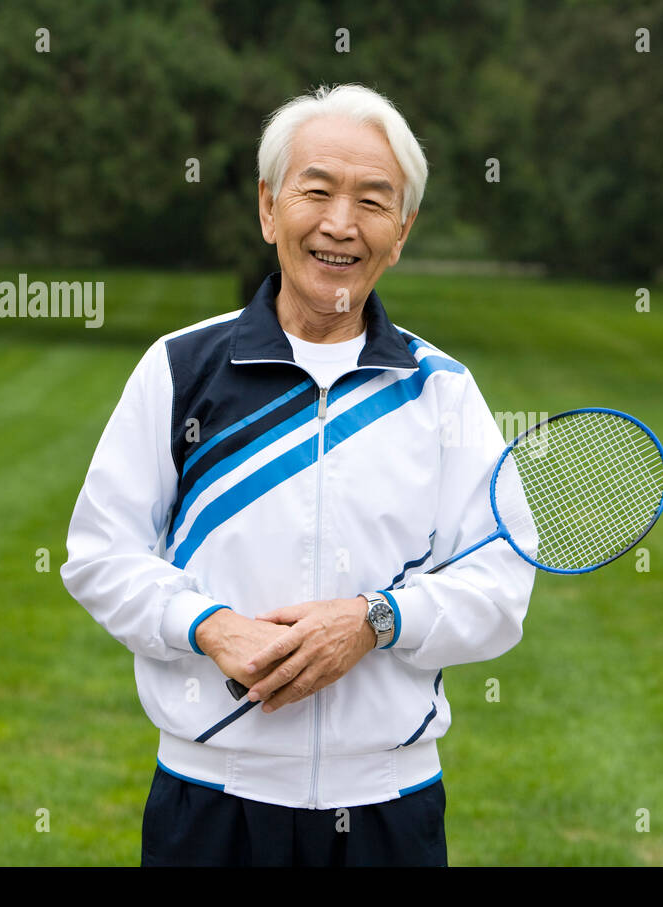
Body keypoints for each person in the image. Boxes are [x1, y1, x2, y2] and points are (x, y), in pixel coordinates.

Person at [60, 83, 535, 866]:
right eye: (316, 190)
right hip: (209, 802)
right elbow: (100, 554)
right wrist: (206, 624)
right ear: (268, 207)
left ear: (403, 230)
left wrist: (378, 620)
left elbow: (501, 584)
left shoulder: (442, 390)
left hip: (391, 807)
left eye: (373, 201)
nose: (340, 224)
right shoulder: (180, 368)